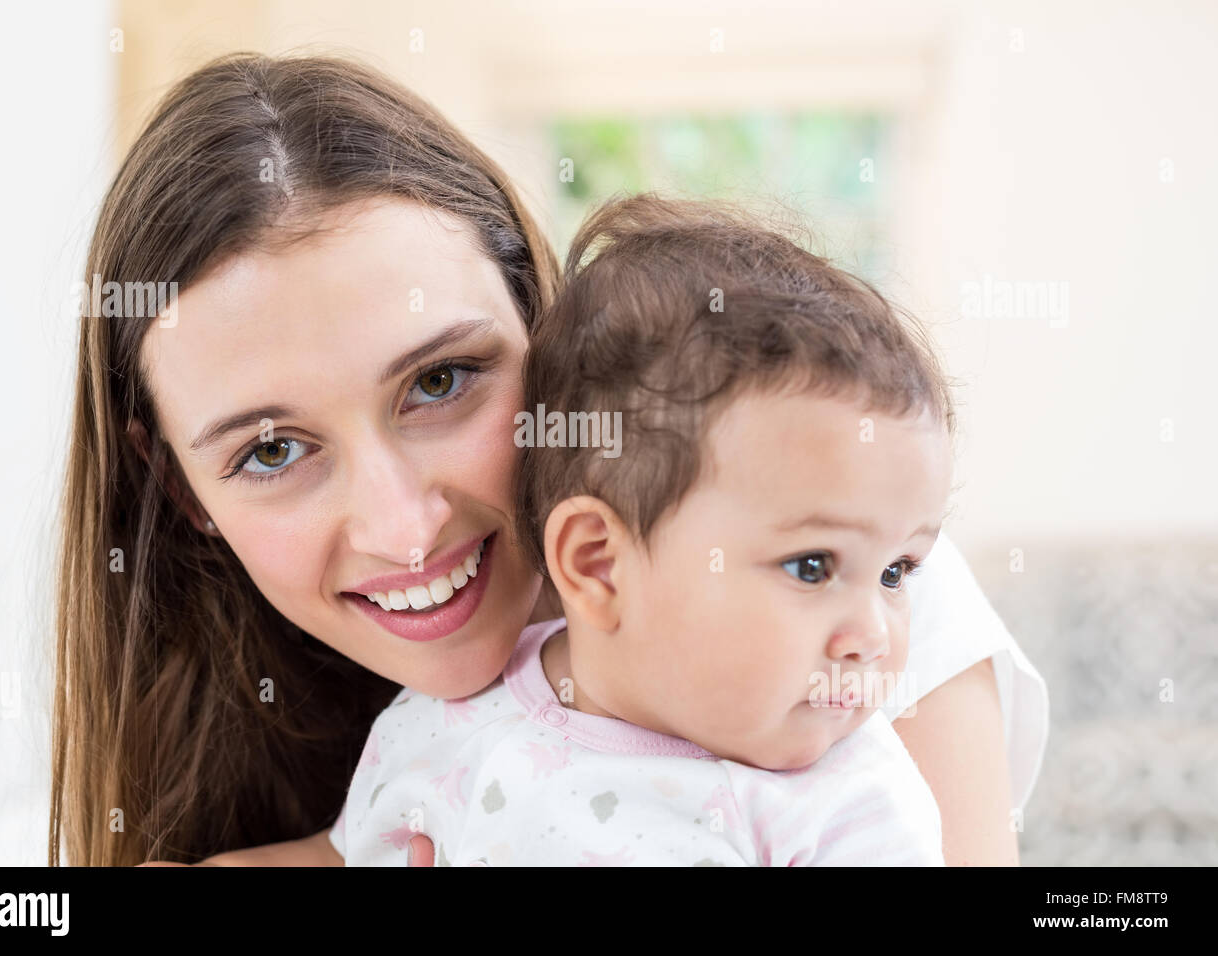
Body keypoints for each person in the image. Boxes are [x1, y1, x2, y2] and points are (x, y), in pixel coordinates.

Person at [51, 53, 1046, 868]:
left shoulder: (839, 588)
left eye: (441, 382)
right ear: (182, 489)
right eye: (272, 450)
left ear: (539, 322)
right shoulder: (407, 732)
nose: (406, 526)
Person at [332, 194, 954, 865]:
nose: (874, 637)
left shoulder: (852, 807)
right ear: (598, 563)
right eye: (812, 567)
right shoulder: (441, 727)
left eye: (897, 571)